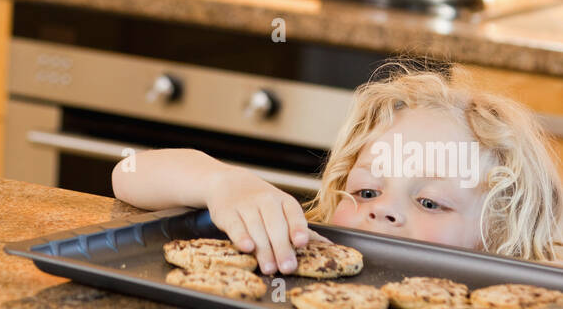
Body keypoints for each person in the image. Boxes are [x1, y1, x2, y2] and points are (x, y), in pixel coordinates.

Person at [113, 65, 563, 268]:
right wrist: (223, 183)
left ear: (502, 241)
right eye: (367, 191)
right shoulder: (291, 246)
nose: (384, 210)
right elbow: (127, 173)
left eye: (430, 201)